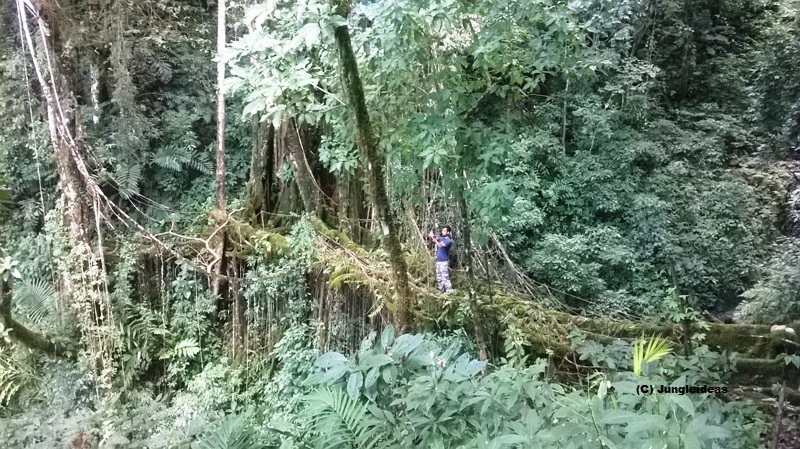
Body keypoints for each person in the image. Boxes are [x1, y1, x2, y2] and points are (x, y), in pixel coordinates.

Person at [428, 226, 452, 293]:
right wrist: (431, 236)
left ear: (448, 232)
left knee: (445, 277)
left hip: (444, 261)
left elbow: (440, 246)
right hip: (438, 261)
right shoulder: (441, 238)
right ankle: (440, 290)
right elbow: (433, 240)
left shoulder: (448, 241)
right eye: (442, 231)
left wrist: (434, 239)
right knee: (439, 277)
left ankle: (449, 291)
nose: (443, 232)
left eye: (444, 231)